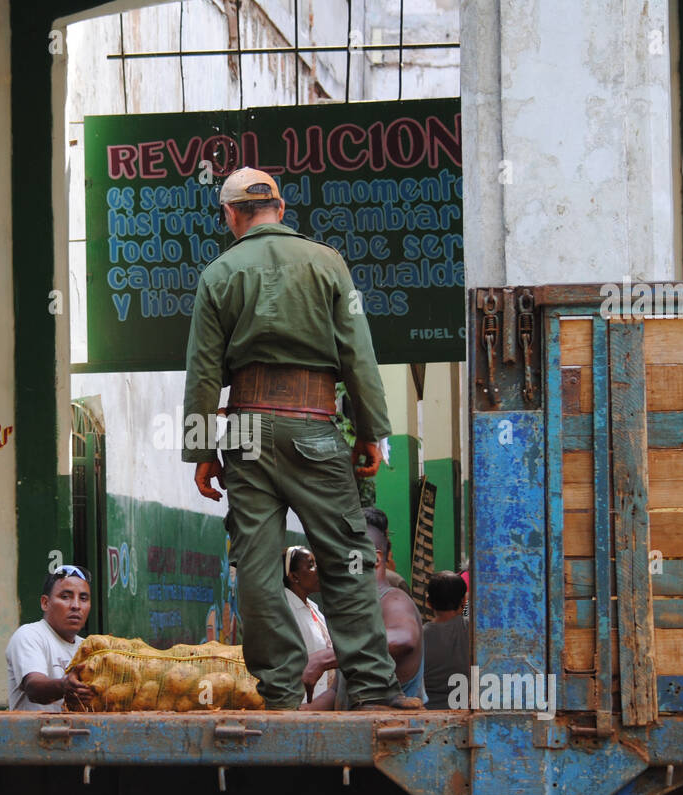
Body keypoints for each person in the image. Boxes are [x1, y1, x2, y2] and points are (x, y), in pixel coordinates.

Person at [182, 166, 421, 711]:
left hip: (243, 423)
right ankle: (374, 691)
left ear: (230, 215)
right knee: (348, 559)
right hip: (313, 419)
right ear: (281, 209)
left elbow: (201, 373)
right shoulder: (327, 263)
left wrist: (201, 450)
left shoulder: (219, 274)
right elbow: (358, 354)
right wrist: (371, 433)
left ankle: (283, 694)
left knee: (259, 567)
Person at [4, 564, 96, 711]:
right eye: (65, 597)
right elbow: (34, 688)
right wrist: (64, 686)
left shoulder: (88, 648)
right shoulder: (29, 635)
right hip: (36, 733)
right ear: (45, 603)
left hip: (76, 733)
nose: (76, 605)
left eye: (83, 598)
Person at [365, 519, 425, 701]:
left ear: (375, 559)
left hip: (392, 727)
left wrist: (326, 658)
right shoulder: (361, 608)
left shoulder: (395, 601)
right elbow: (337, 691)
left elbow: (404, 638)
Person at [281, 545, 339, 710]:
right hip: (302, 703)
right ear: (294, 577)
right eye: (311, 565)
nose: (318, 569)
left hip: (320, 700)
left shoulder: (312, 607)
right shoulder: (287, 610)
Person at [418, 570, 469, 710]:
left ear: (429, 602)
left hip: (432, 716)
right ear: (464, 600)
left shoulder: (419, 637)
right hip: (468, 712)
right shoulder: (475, 631)